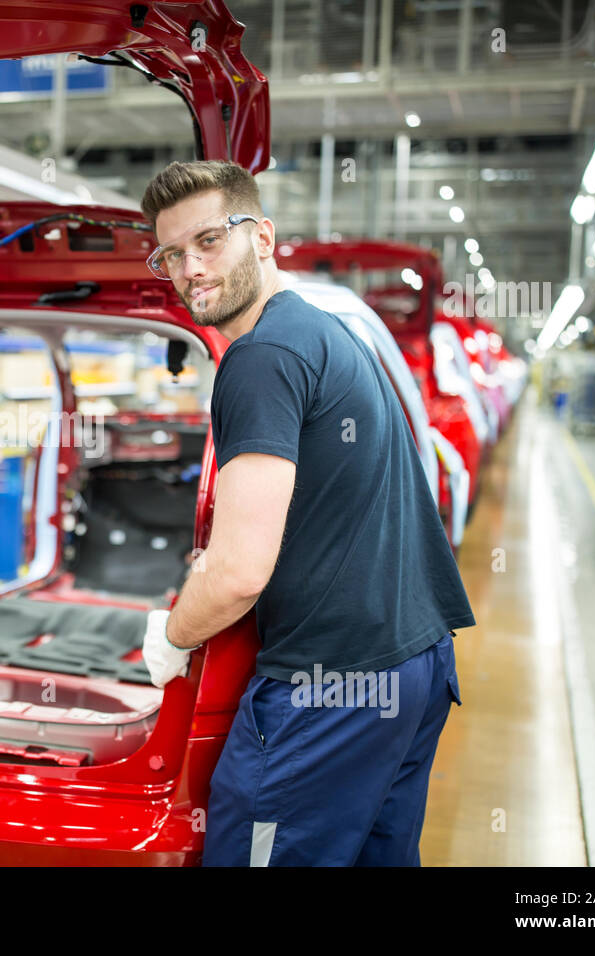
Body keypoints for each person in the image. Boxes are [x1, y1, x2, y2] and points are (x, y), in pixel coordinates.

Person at [138, 161, 475, 866]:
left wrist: (170, 637)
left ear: (261, 235)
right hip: (412, 667)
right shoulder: (325, 333)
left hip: (329, 692)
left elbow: (236, 576)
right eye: (171, 253)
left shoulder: (260, 359)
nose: (190, 268)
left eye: (208, 240)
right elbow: (332, 496)